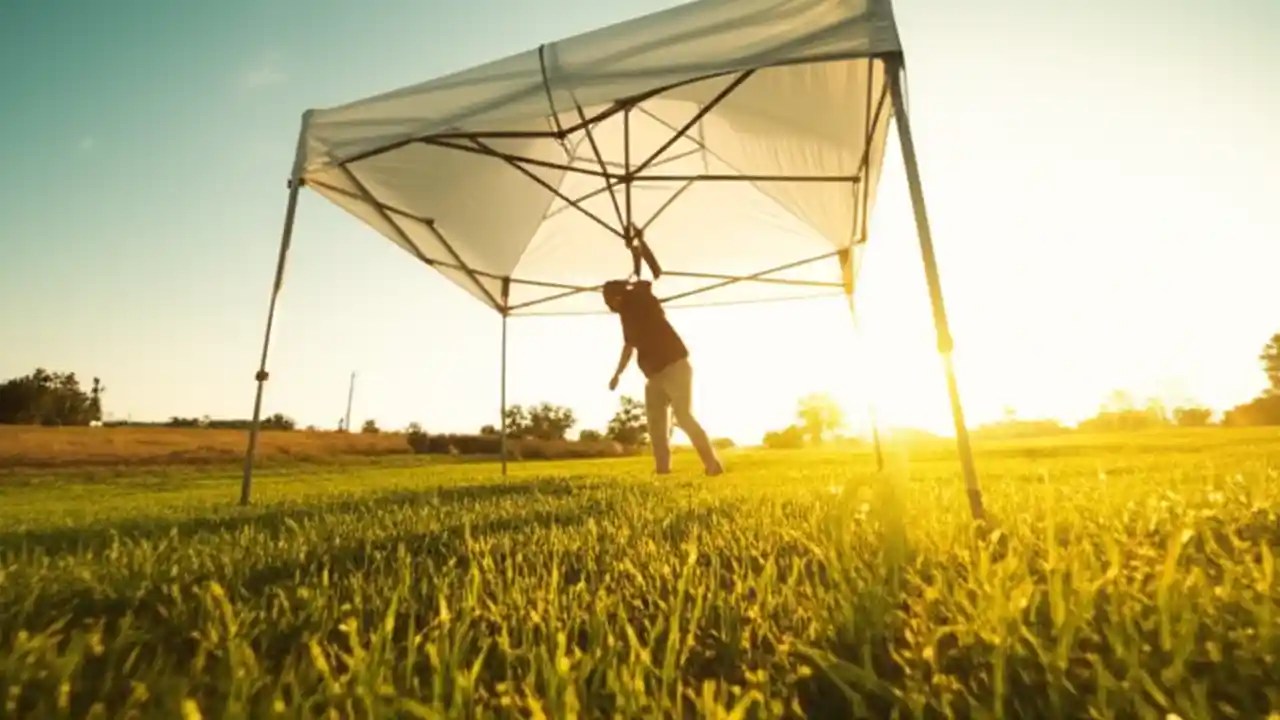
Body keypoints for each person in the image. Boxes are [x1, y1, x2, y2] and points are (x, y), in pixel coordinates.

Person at [604, 279, 724, 476]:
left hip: (675, 366)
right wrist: (617, 374)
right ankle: (663, 470)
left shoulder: (642, 303)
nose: (608, 305)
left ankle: (712, 464)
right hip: (654, 375)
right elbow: (629, 346)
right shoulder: (626, 316)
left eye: (609, 299)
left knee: (683, 416)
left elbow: (645, 290)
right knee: (656, 426)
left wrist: (638, 286)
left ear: (617, 297)